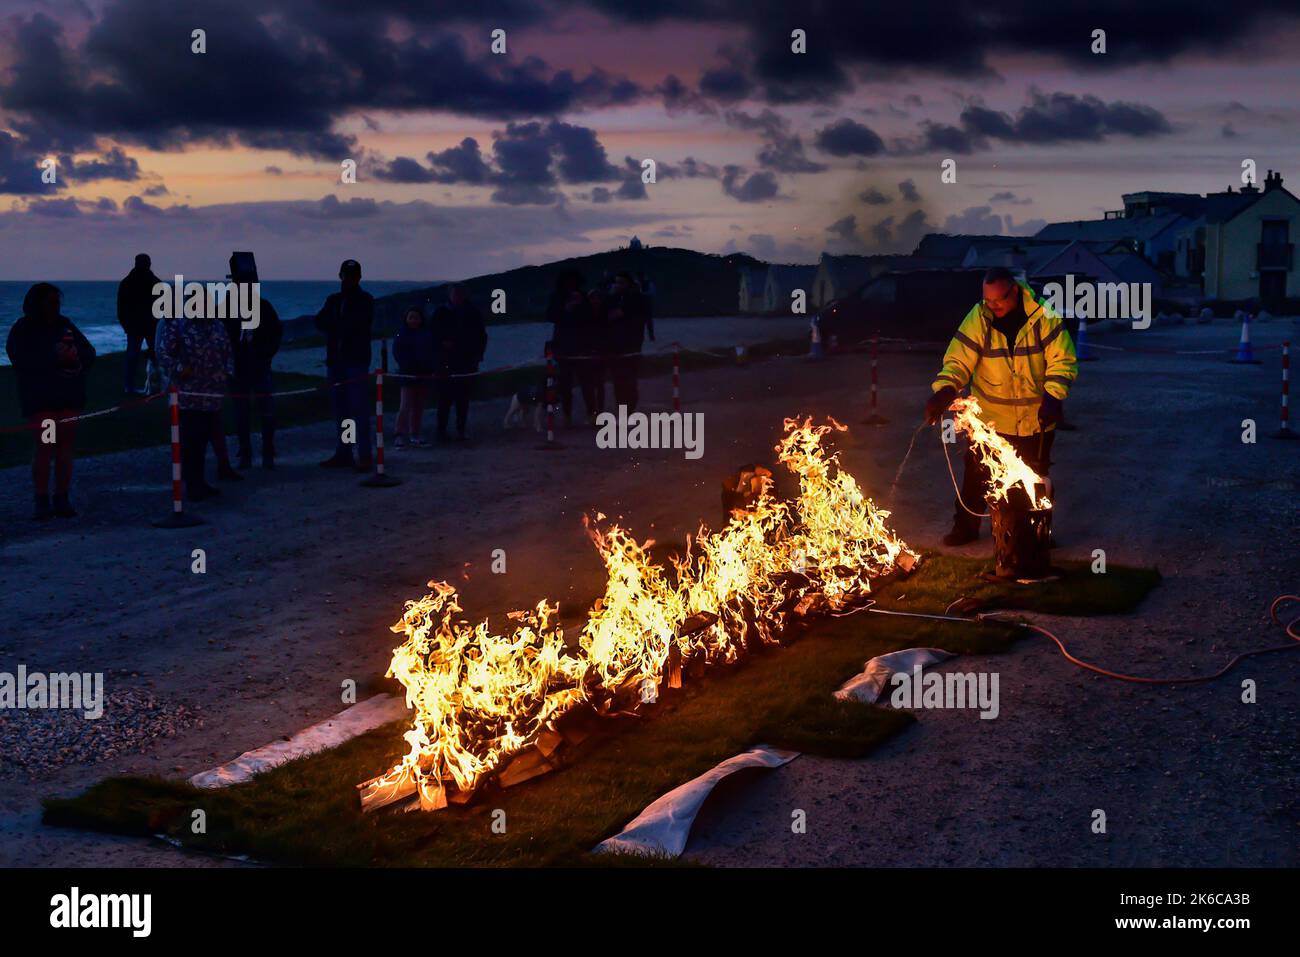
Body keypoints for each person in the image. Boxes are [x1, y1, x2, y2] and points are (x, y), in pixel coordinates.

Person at [924, 266, 1078, 546]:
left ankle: (1037, 532)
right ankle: (966, 528)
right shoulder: (979, 317)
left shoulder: (1045, 315)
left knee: (1035, 479)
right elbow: (959, 360)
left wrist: (1054, 397)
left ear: (1015, 291)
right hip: (991, 423)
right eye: (988, 300)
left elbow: (1062, 360)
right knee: (976, 477)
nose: (993, 306)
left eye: (999, 300)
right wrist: (944, 390)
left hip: (1037, 420)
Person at [6, 283, 96, 519]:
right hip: (41, 400)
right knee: (45, 447)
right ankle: (41, 498)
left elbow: (89, 353)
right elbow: (20, 360)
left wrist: (74, 356)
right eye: (51, 302)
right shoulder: (23, 329)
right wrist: (52, 357)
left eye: (57, 302)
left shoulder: (64, 325)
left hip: (68, 397)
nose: (55, 306)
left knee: (65, 447)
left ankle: (62, 497)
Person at [155, 307, 233, 502]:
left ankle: (200, 482)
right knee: (192, 441)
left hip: (212, 395)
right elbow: (163, 353)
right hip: (189, 397)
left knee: (205, 439)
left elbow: (228, 351)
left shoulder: (217, 326)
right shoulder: (178, 326)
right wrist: (180, 369)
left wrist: (227, 372)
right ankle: (193, 484)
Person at [223, 255, 282, 469]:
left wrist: (263, 355)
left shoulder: (261, 307)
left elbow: (275, 334)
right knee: (245, 412)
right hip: (242, 368)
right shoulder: (230, 307)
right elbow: (222, 337)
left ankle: (264, 451)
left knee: (260, 411)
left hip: (255, 367)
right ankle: (249, 452)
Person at [315, 259, 374, 469]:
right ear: (341, 276)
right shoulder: (334, 299)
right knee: (342, 409)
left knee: (359, 409)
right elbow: (319, 321)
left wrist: (336, 324)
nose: (349, 279)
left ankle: (364, 455)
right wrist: (338, 324)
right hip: (337, 362)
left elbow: (355, 325)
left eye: (352, 275)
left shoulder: (365, 300)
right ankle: (346, 452)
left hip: (356, 361)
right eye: (346, 275)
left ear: (359, 277)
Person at [430, 284, 487, 441]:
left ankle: (461, 430)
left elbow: (481, 336)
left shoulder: (472, 312)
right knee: (444, 399)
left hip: (466, 361)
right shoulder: (441, 312)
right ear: (449, 295)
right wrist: (440, 350)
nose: (457, 297)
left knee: (463, 399)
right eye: (454, 293)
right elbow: (433, 337)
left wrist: (478, 355)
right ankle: (441, 431)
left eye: (460, 293)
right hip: (445, 362)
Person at [545, 270, 597, 425]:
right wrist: (566, 309)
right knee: (565, 384)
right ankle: (567, 416)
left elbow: (590, 319)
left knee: (587, 384)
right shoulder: (557, 297)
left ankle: (591, 414)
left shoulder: (583, 296)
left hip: (581, 346)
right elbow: (551, 316)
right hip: (564, 347)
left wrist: (585, 306)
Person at [606, 271, 651, 412]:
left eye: (621, 282)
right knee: (619, 380)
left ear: (629, 284)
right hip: (616, 345)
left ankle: (629, 409)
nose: (617, 285)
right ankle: (622, 408)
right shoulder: (616, 298)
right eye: (616, 282)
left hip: (630, 344)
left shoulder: (635, 298)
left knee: (629, 379)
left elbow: (615, 316)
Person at [117, 253, 160, 395]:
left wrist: (125, 324)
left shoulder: (126, 283)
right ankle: (155, 385)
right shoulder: (155, 282)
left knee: (133, 356)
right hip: (148, 325)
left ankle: (130, 386)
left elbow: (121, 308)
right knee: (154, 355)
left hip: (137, 325)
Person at [392, 307, 435, 447]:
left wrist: (429, 367)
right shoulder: (401, 335)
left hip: (424, 374)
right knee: (405, 405)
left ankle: (415, 434)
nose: (414, 320)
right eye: (411, 317)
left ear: (421, 319)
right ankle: (398, 435)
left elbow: (431, 352)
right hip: (408, 374)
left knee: (419, 406)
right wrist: (410, 366)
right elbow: (398, 354)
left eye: (416, 317)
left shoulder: (426, 334)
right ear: (406, 319)